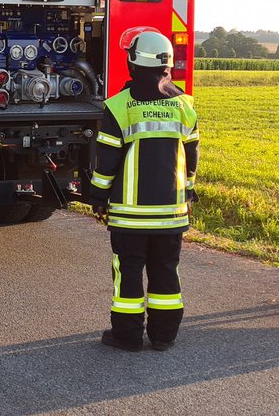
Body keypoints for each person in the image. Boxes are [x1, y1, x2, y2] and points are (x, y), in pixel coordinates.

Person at [90, 31, 199, 352]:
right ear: (167, 65)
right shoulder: (184, 105)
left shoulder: (118, 106)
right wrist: (188, 193)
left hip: (130, 217)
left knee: (128, 274)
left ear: (133, 62)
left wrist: (98, 198)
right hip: (171, 215)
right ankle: (164, 336)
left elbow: (107, 161)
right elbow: (191, 158)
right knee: (166, 272)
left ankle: (127, 336)